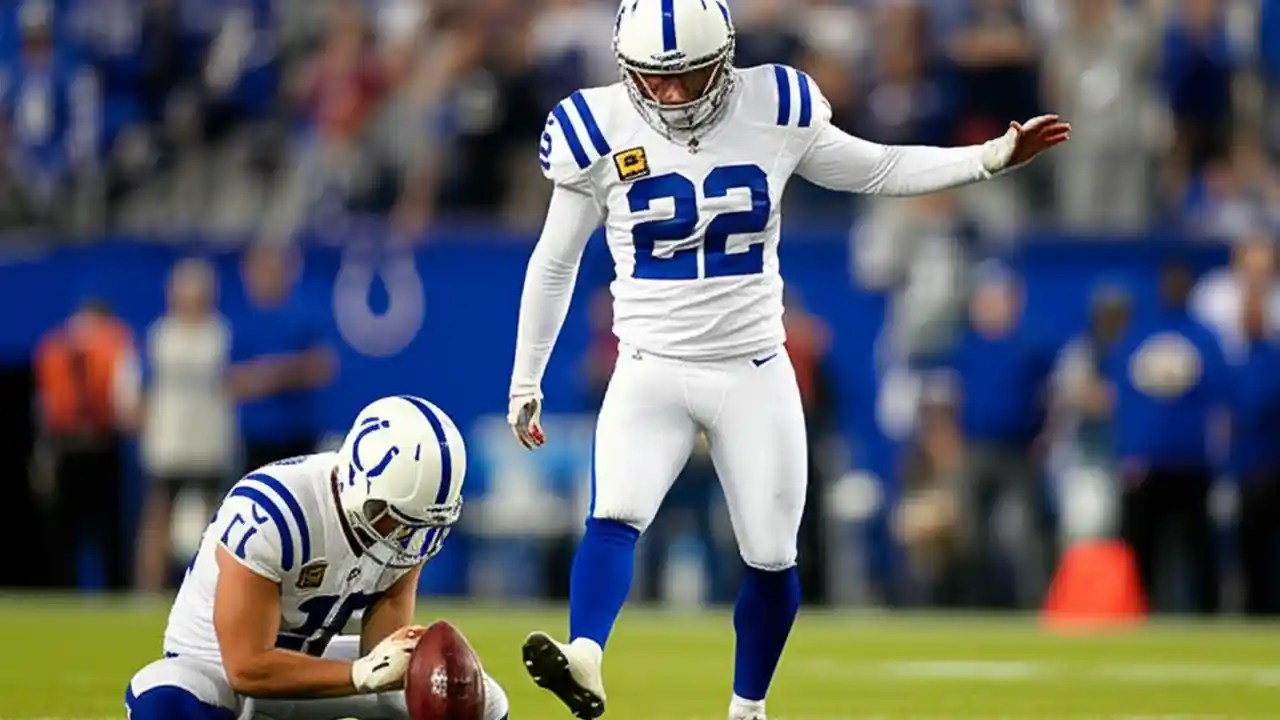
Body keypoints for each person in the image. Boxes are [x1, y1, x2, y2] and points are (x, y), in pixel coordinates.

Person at [504, 1, 1069, 718]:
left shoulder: (775, 106)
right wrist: (528, 375)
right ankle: (585, 654)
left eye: (691, 75)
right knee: (614, 513)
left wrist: (987, 158)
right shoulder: (596, 128)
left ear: (727, 58)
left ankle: (748, 708)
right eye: (655, 78)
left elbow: (878, 167)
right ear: (625, 68)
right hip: (649, 363)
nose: (672, 94)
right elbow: (554, 261)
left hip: (752, 368)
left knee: (772, 555)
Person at [124, 396, 510, 720]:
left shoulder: (406, 521)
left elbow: (379, 655)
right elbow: (246, 667)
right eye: (394, 517)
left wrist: (409, 663)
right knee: (166, 701)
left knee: (476, 696)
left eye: (419, 524)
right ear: (359, 481)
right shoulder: (276, 511)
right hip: (220, 669)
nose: (404, 536)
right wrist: (359, 674)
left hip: (317, 660)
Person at [135, 259, 235, 592]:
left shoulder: (220, 334)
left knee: (212, 520)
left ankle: (207, 590)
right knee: (158, 516)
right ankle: (149, 590)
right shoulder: (160, 336)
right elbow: (143, 387)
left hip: (209, 440)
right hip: (169, 440)